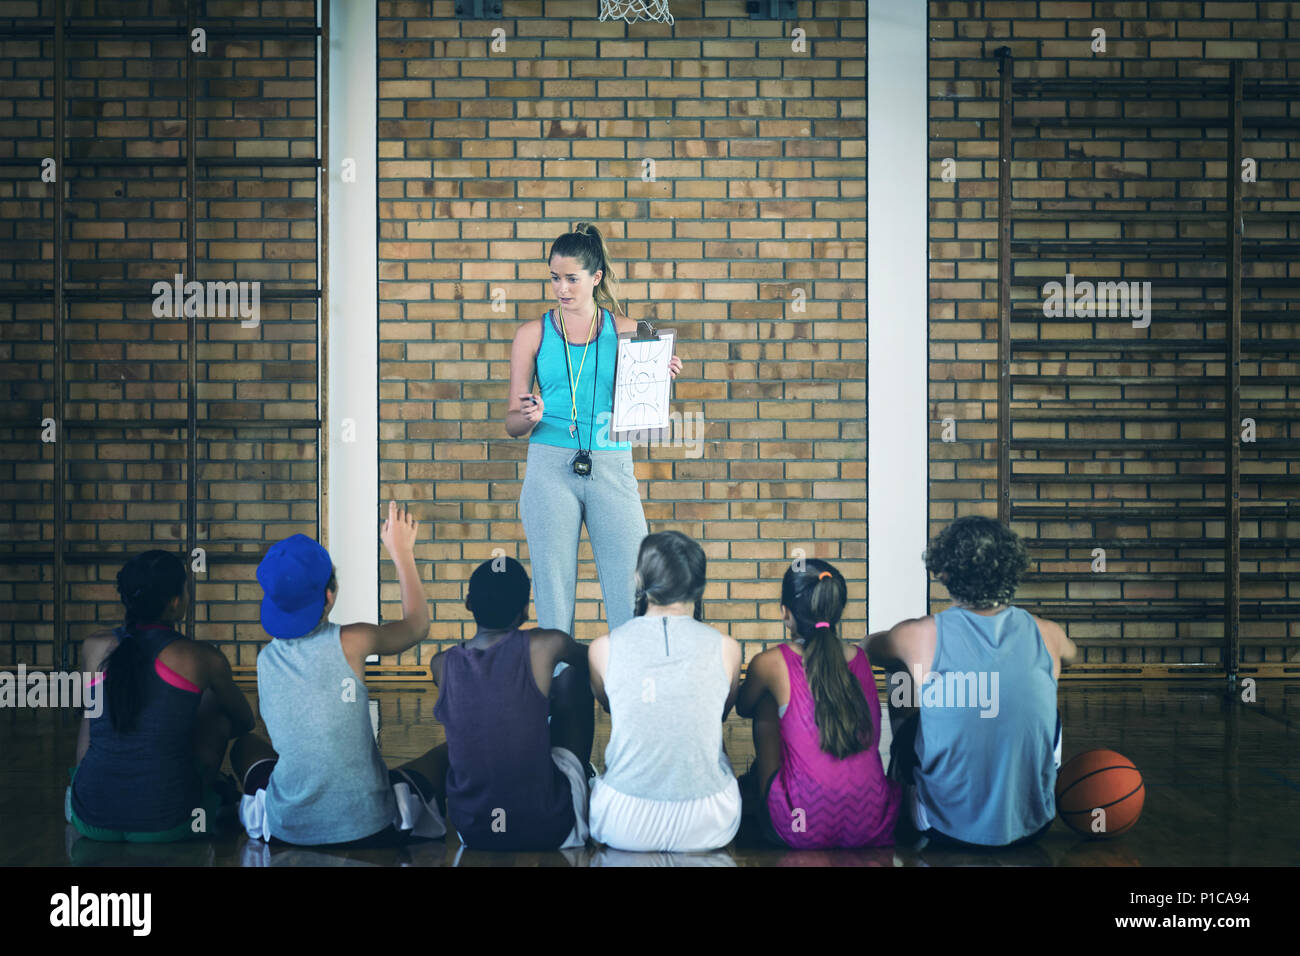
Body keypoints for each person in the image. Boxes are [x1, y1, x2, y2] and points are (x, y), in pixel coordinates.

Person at [232, 502, 447, 847]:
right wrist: (402, 552)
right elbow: (417, 626)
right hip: (370, 828)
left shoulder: (265, 659)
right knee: (441, 755)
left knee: (246, 746)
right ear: (329, 596)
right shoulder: (353, 640)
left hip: (288, 832)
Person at [506, 222, 682, 638]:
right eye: (554, 278)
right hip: (549, 468)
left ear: (595, 277)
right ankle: (558, 698)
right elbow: (512, 422)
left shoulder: (631, 329)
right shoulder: (532, 334)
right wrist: (527, 416)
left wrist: (665, 374)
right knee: (553, 595)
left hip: (610, 463)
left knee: (630, 587)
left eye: (571, 279)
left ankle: (631, 693)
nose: (561, 288)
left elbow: (647, 409)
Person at [865, 515, 1077, 849]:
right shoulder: (1047, 633)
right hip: (1035, 825)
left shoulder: (917, 634)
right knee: (1045, 688)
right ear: (1011, 569)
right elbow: (1072, 654)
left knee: (899, 670)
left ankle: (901, 778)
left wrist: (905, 636)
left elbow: (867, 649)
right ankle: (1027, 788)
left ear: (945, 572)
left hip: (941, 827)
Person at [67, 550, 255, 842]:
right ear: (175, 601)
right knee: (215, 710)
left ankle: (86, 782)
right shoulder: (202, 657)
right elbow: (243, 721)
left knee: (93, 710)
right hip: (168, 821)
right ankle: (205, 792)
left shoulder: (94, 646)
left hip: (89, 817)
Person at [587, 531, 743, 852]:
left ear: (639, 580)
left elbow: (611, 706)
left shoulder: (602, 649)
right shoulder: (728, 649)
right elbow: (719, 712)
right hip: (709, 825)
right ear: (699, 586)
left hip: (623, 825)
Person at [430, 556, 593, 850]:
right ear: (525, 610)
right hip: (550, 825)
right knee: (573, 680)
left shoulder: (441, 664)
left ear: (468, 603)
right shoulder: (547, 644)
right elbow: (592, 659)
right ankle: (582, 775)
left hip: (474, 830)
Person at [735, 559, 900, 848]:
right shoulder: (859, 658)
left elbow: (743, 707)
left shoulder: (771, 662)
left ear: (786, 613)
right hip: (871, 822)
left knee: (765, 703)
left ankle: (759, 794)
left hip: (801, 825)